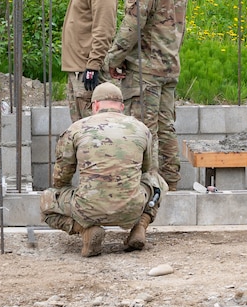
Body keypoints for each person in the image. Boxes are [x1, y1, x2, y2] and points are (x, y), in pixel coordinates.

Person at [103, 0, 188, 193]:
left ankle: (147, 190)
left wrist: (113, 58)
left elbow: (132, 25)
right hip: (169, 67)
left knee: (143, 130)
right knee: (166, 128)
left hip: (145, 71)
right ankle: (171, 184)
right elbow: (179, 28)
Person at [41, 83, 165, 257]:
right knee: (158, 182)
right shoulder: (141, 129)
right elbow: (147, 169)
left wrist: (73, 190)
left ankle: (85, 230)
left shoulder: (76, 129)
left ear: (95, 105)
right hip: (131, 209)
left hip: (87, 209)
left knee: (47, 200)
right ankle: (140, 226)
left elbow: (60, 178)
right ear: (121, 107)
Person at [60, 0, 118, 122]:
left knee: (93, 126)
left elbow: (104, 29)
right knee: (81, 126)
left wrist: (92, 66)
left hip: (87, 67)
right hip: (79, 67)